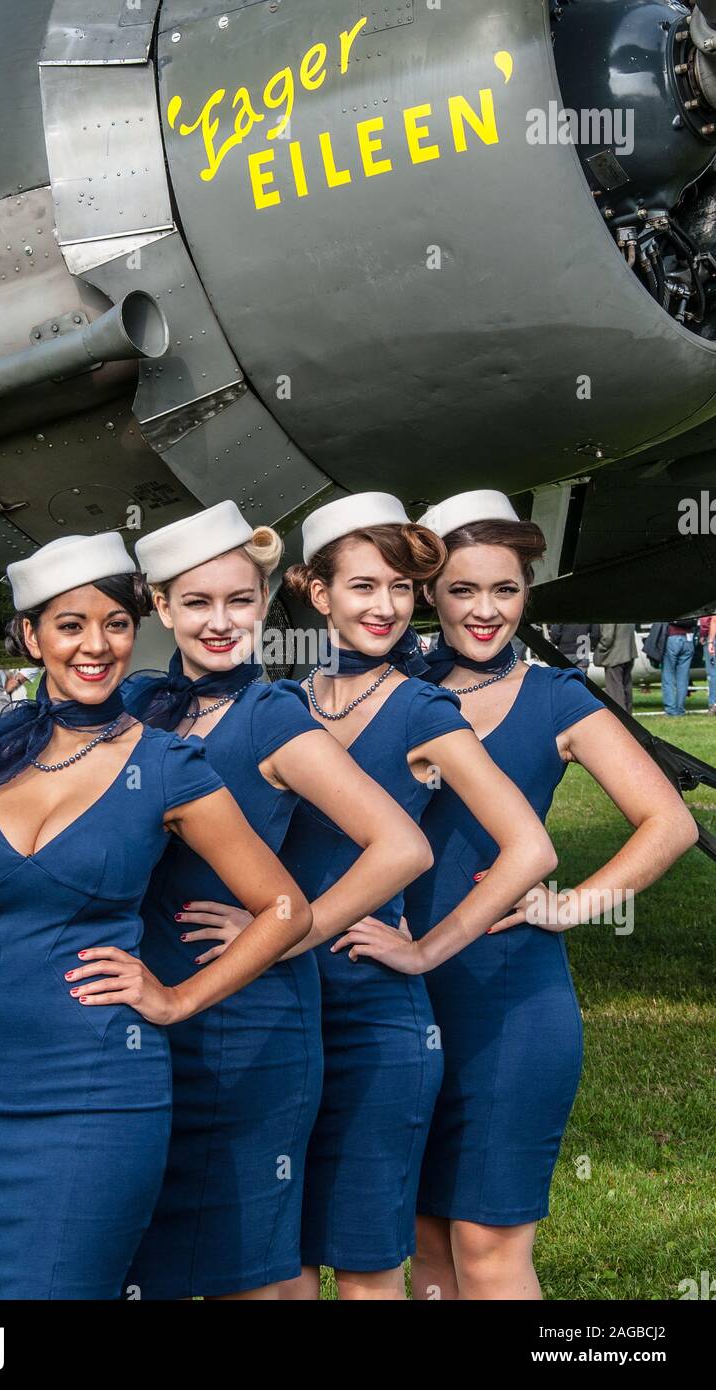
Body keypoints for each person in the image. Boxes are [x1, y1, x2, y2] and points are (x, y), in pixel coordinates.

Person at [0, 531, 319, 1300]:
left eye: (115, 623)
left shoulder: (167, 765)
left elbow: (285, 909)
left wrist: (176, 998)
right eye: (70, 625)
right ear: (30, 636)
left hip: (101, 1091)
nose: (96, 645)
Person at [181, 492, 557, 1301]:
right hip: (275, 1011)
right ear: (317, 595)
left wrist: (421, 947)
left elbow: (531, 848)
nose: (383, 606)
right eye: (361, 587)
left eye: (398, 588)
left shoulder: (425, 708)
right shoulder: (276, 704)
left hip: (368, 1016)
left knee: (364, 1270)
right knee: (271, 1264)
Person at [334, 490, 699, 1301]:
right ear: (428, 593)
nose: (485, 610)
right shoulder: (392, 690)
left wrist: (568, 905)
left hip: (509, 1004)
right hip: (394, 1002)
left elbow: (666, 823)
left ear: (527, 592)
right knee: (422, 1250)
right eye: (462, 590)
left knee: (489, 1251)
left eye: (505, 589)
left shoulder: (556, 697)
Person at [119, 500, 433, 1300]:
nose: (221, 623)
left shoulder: (273, 717)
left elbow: (400, 846)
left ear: (265, 605)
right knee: (157, 1258)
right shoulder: (140, 709)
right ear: (159, 606)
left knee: (255, 1268)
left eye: (239, 601)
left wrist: (292, 932)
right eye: (196, 603)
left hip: (249, 1024)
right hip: (145, 1015)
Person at [593, 622, 637, 713]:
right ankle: (628, 715)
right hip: (629, 652)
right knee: (626, 687)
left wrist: (598, 648)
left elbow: (607, 637)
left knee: (615, 690)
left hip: (615, 655)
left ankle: (620, 716)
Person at [661, 618, 696, 716]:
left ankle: (671, 710)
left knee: (668, 676)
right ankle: (680, 709)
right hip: (688, 640)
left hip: (673, 638)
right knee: (683, 678)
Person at [698, 615, 716, 715]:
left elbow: (714, 620)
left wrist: (710, 641)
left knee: (712, 673)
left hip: (713, 637)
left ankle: (713, 704)